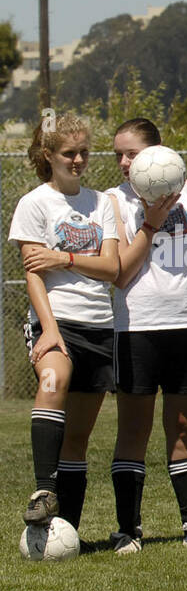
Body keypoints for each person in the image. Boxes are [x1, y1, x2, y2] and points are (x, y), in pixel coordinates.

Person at [104, 118, 187, 553]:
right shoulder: (113, 202)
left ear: (157, 154)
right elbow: (120, 273)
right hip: (136, 328)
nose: (123, 162)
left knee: (184, 427)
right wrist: (149, 223)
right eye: (117, 154)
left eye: (131, 153)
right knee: (134, 429)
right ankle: (127, 531)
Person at [8, 114, 119, 534]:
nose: (77, 160)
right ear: (47, 155)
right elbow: (33, 271)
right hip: (56, 319)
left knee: (77, 440)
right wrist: (49, 329)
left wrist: (65, 258)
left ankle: (66, 531)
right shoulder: (35, 203)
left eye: (84, 153)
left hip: (99, 324)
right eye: (68, 153)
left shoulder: (100, 203)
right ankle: (42, 490)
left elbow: (111, 267)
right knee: (52, 379)